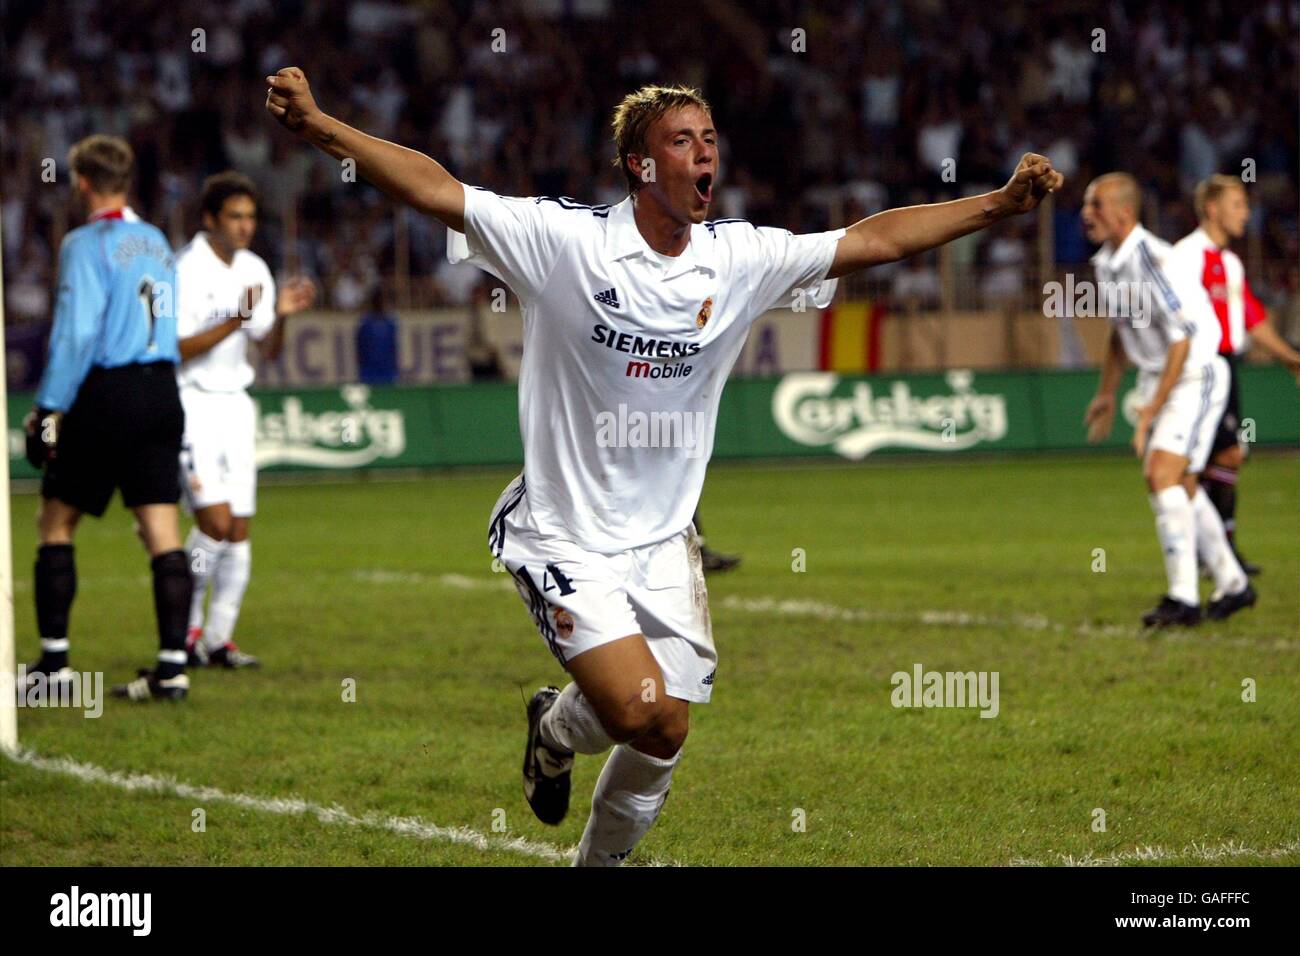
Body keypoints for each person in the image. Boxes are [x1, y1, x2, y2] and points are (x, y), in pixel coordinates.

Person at [266, 68, 1062, 865]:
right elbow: (440, 191)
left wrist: (997, 204)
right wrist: (321, 127)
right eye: (681, 141)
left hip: (662, 542)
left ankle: (579, 814)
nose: (702, 154)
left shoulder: (739, 259)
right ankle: (554, 729)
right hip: (564, 532)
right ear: (641, 166)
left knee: (662, 731)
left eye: (709, 140)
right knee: (644, 708)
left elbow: (872, 240)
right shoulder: (566, 244)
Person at [21, 134, 193, 702]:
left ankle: (55, 669)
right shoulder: (157, 241)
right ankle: (171, 669)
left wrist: (48, 406)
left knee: (56, 522)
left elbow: (77, 330)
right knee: (162, 531)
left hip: (107, 391)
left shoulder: (83, 242)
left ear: (83, 183)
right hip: (161, 388)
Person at [1081, 173, 1255, 627]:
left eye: (1094, 205)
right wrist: (1105, 394)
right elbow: (1121, 336)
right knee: (1181, 484)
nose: (1085, 214)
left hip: (1195, 373)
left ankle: (1184, 600)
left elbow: (1181, 340)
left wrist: (1150, 412)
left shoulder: (1153, 259)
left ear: (1124, 212)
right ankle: (1234, 584)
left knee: (1161, 474)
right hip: (1166, 376)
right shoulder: (1106, 264)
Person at [176, 171, 317, 669]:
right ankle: (184, 630)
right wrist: (236, 319)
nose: (244, 226)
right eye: (234, 216)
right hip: (192, 402)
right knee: (211, 523)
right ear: (210, 218)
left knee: (237, 528)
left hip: (237, 403)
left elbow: (269, 350)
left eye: (250, 217)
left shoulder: (255, 267)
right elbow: (177, 347)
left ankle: (218, 640)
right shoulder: (185, 270)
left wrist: (283, 315)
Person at [1173, 175, 1300, 576]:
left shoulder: (1229, 263)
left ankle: (1217, 552)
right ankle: (1209, 552)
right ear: (1213, 209)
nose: (1246, 213)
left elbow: (1251, 318)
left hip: (1226, 367)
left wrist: (1290, 358)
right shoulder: (1186, 256)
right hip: (1197, 366)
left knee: (1224, 456)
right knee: (1209, 459)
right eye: (1238, 204)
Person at [356, 287, 399, 385]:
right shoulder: (365, 323)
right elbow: (359, 348)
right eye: (379, 300)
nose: (381, 303)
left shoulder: (391, 323)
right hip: (369, 372)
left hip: (388, 371)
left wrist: (395, 369)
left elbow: (394, 348)